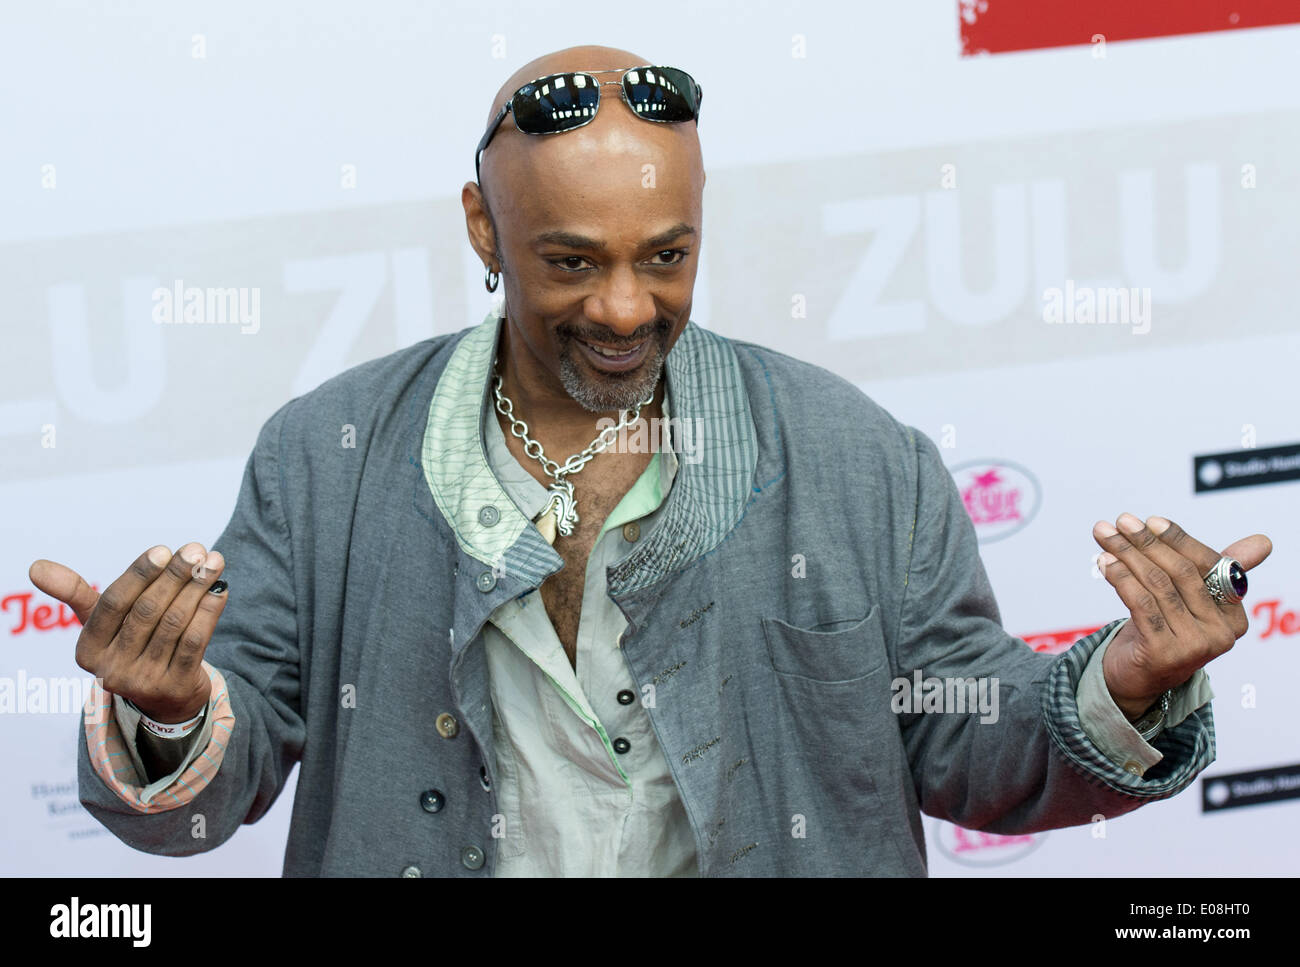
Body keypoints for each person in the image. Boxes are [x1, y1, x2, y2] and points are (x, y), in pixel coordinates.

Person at [31, 45, 1271, 877]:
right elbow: (205, 799)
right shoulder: (327, 458)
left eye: (665, 256)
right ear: (484, 227)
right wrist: (171, 714)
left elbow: (968, 744)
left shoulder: (852, 457)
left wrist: (1126, 680)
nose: (625, 309)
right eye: (571, 261)